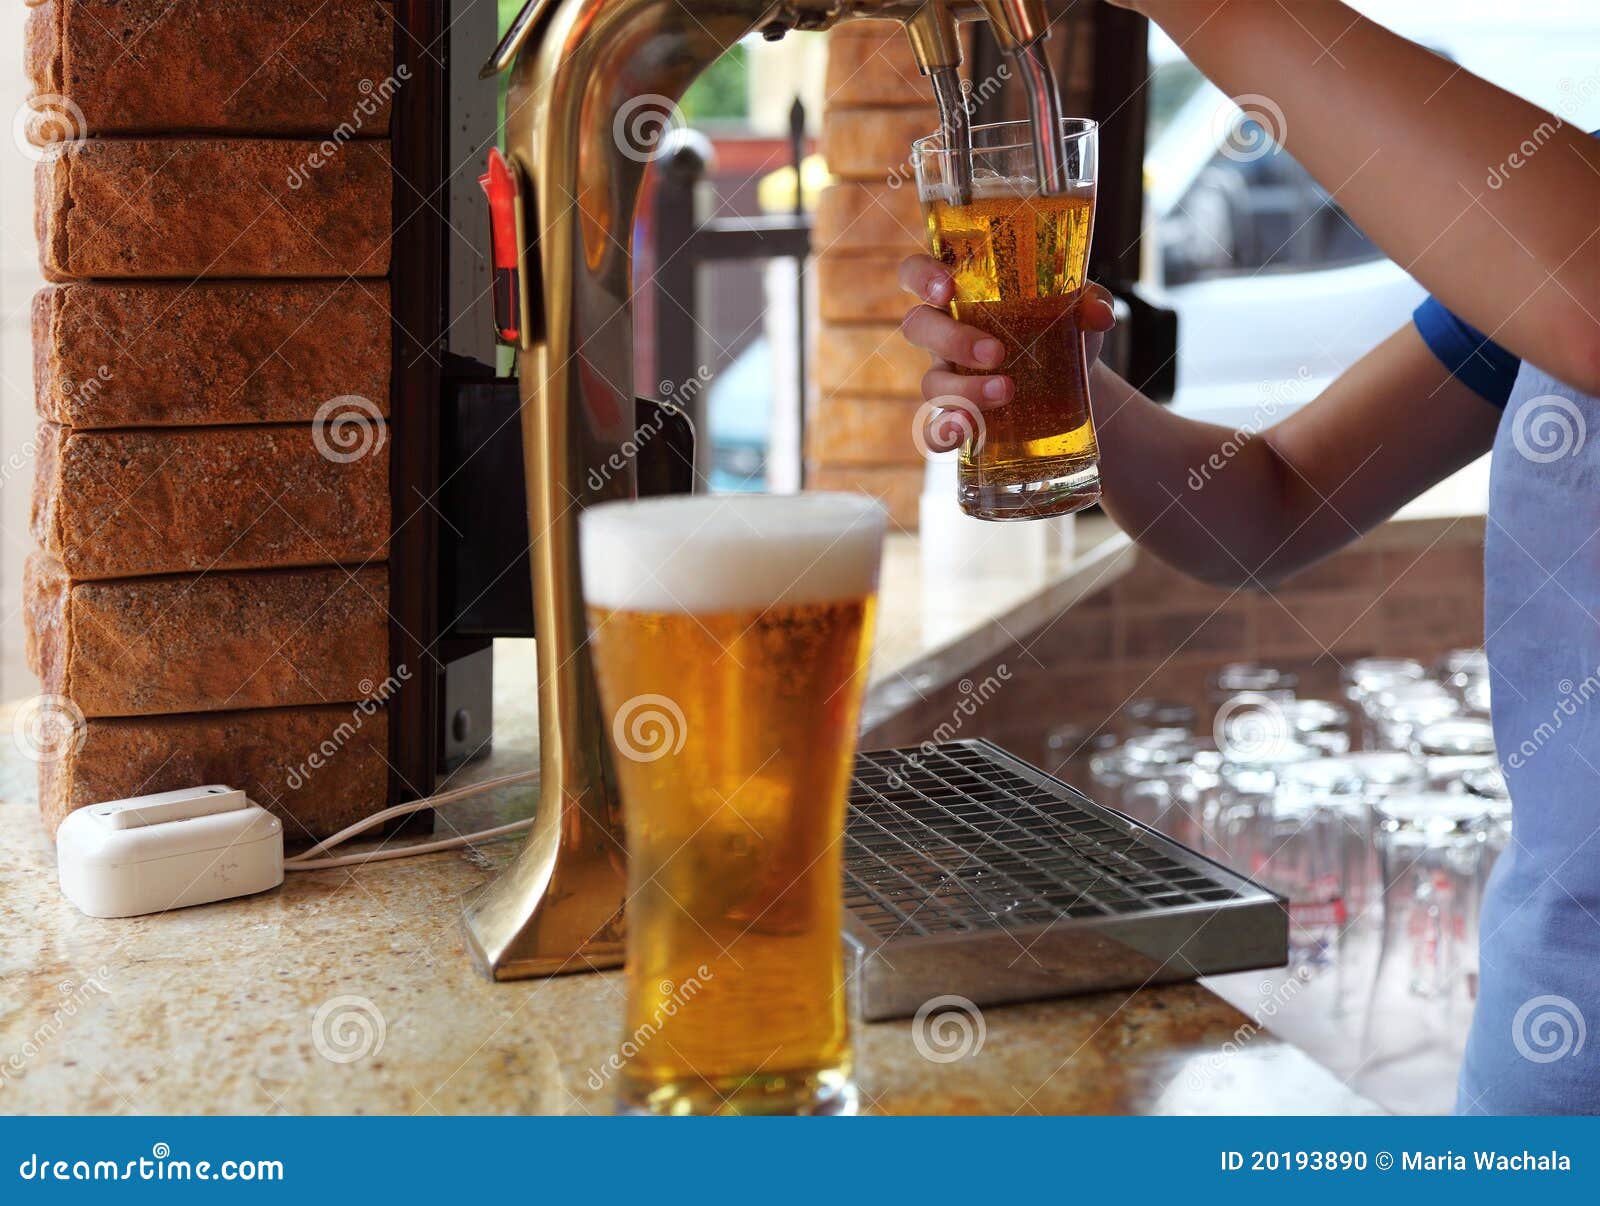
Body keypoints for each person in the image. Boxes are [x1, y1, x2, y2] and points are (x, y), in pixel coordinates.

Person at [897, 0, 1599, 1114]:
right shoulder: (1563, 199)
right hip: (1544, 1053)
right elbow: (1271, 504)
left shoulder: (1572, 236)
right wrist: (1045, 378)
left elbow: (1588, 307)